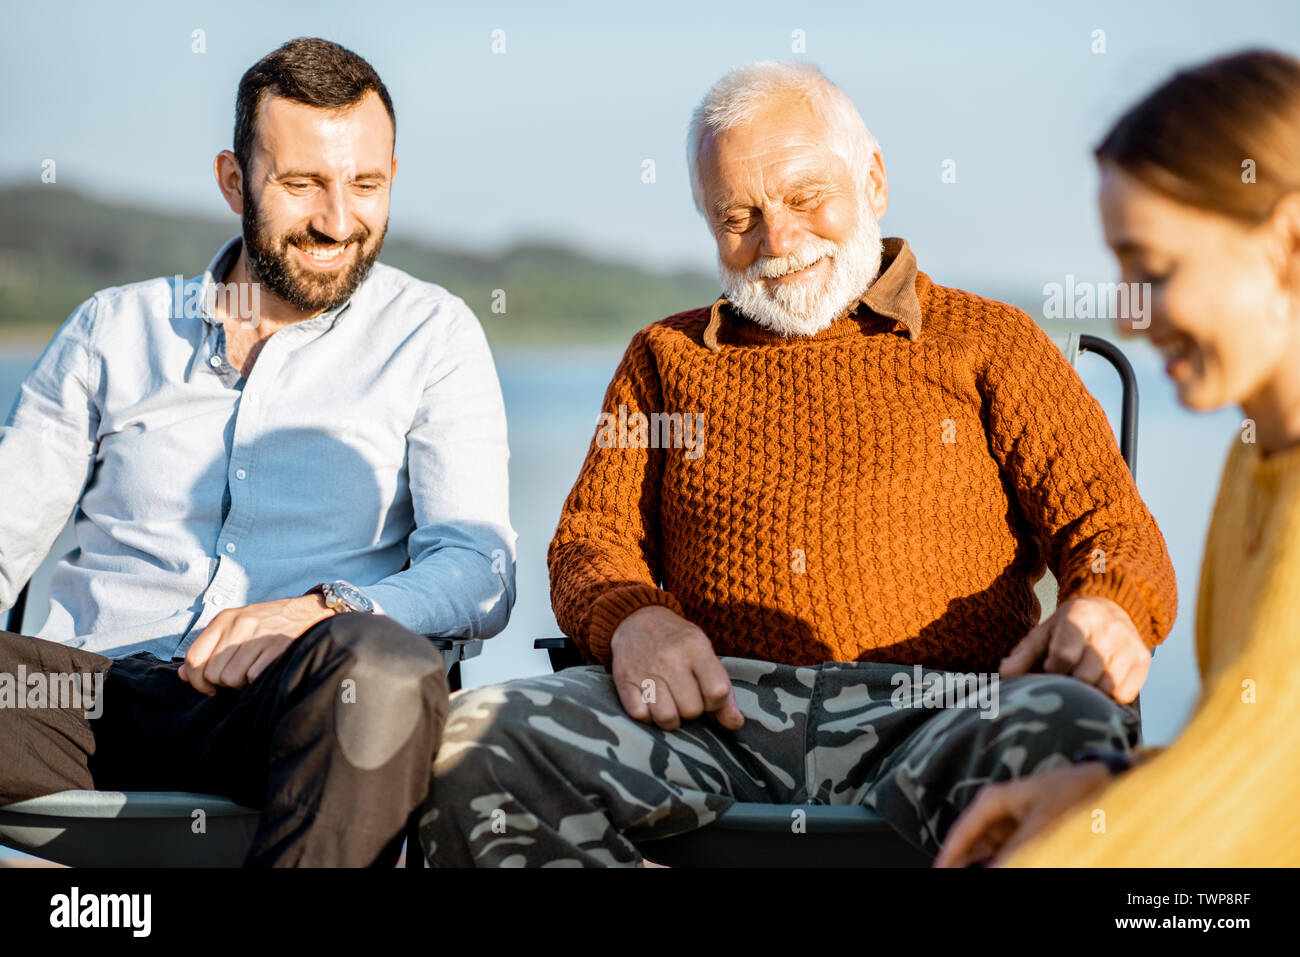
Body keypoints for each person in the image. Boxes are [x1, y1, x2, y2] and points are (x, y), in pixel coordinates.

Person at [421, 61, 1176, 867]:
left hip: (942, 711)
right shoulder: (664, 358)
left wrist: (1109, 604)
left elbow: (1111, 531)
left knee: (1072, 731)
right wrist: (633, 619)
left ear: (873, 179)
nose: (777, 241)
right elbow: (588, 544)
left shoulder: (993, 341)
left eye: (806, 196)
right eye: (738, 215)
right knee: (468, 745)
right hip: (711, 713)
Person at [0, 37, 516, 867]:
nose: (337, 220)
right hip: (82, 703)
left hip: (288, 709)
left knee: (378, 668)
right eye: (303, 182)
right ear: (233, 181)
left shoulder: (435, 336)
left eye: (366, 184)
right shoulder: (113, 329)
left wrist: (328, 610)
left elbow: (479, 570)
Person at [937, 49, 1300, 868]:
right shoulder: (1257, 464)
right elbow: (1256, 759)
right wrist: (1105, 782)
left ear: (1288, 240)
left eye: (1156, 270)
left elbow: (1263, 783)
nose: (1130, 318)